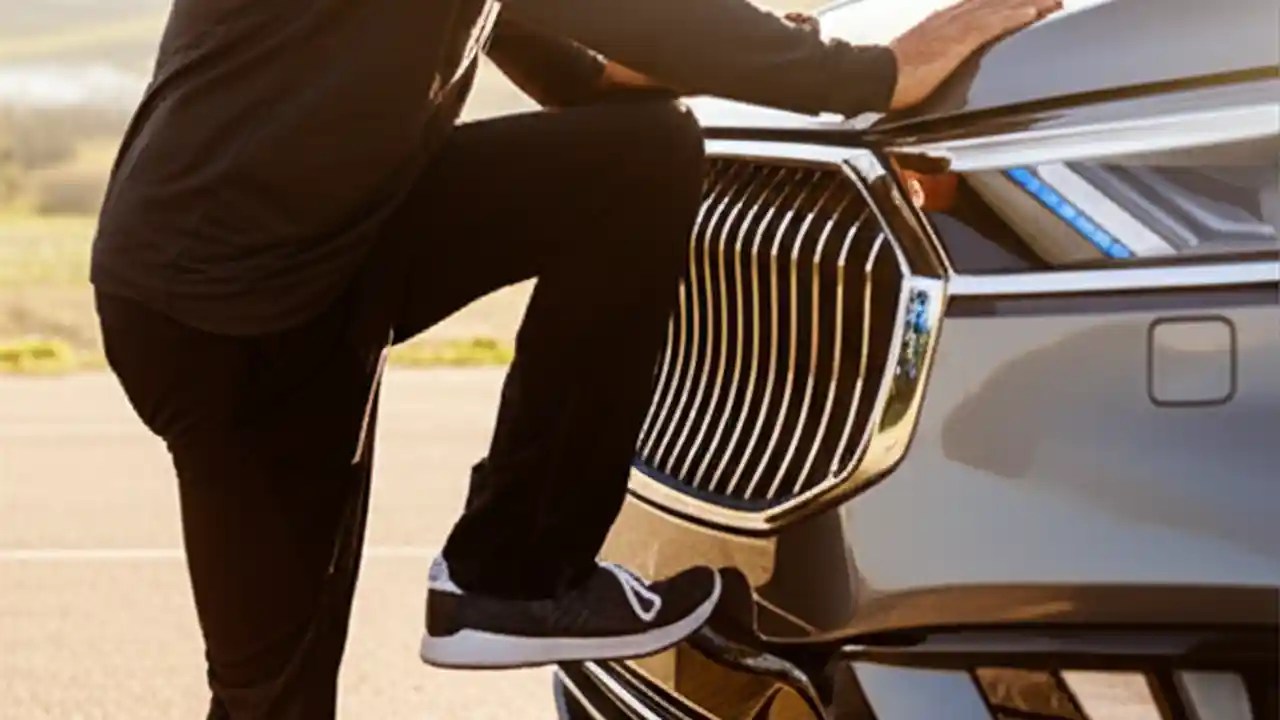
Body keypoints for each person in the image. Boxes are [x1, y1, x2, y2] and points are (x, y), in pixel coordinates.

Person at [90, 0, 1062, 716]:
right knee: (273, 686)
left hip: (327, 260)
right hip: (226, 309)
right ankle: (512, 576)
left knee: (631, 161)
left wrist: (772, 44)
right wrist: (871, 69)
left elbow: (575, 74)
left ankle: (513, 569)